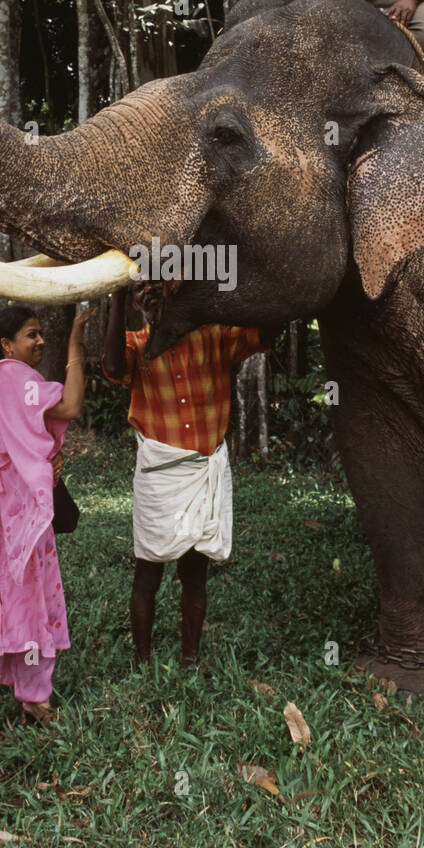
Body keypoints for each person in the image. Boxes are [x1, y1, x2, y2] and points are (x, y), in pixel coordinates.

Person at [102, 283, 268, 667]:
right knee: (148, 573)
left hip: (203, 468)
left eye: (157, 288)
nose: (151, 296)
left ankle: (190, 659)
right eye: (141, 291)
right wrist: (114, 298)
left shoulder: (212, 335)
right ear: (135, 301)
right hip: (159, 478)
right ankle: (143, 662)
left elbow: (264, 332)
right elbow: (112, 366)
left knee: (194, 573)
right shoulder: (134, 344)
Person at [0, 302, 95, 740]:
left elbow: (45, 420)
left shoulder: (15, 380)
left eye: (42, 333)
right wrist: (75, 343)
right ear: (6, 344)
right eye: (31, 334)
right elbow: (70, 405)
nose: (40, 341)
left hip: (18, 504)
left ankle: (34, 697)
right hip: (2, 509)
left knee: (30, 600)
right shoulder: (12, 376)